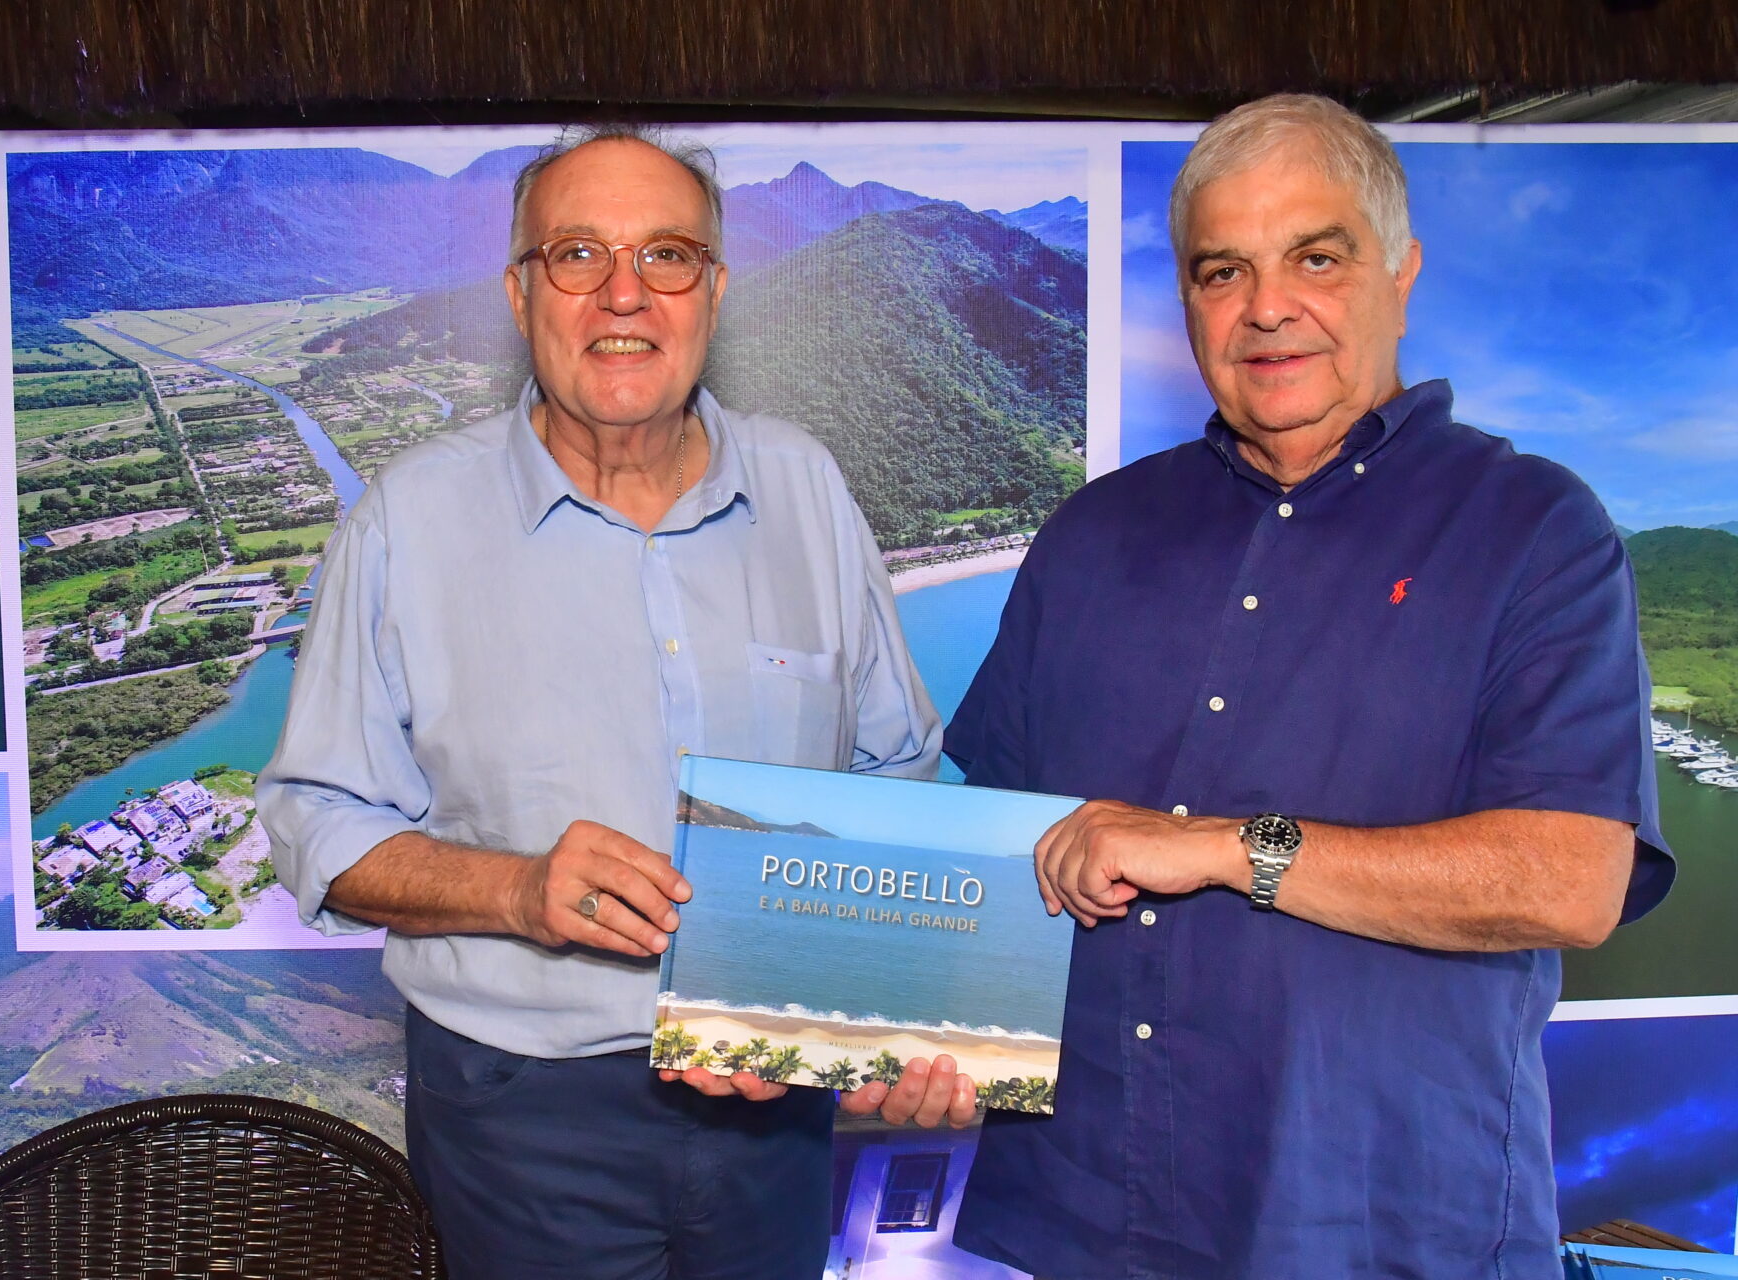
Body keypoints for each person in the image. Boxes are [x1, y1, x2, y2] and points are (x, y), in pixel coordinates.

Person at [866, 94, 1675, 1277]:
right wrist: (879, 1035)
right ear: (1187, 299)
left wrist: (1232, 846)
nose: (1267, 307)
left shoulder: (1537, 531)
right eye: (1221, 270)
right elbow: (1002, 858)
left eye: (1316, 256)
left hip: (1380, 1228)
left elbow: (1573, 880)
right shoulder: (1092, 533)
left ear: (1401, 272)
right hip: (1084, 1219)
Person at [258, 124, 941, 1280]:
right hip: (522, 1114)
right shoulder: (408, 519)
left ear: (714, 292)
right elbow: (317, 824)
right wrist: (518, 889)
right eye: (577, 255)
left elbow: (897, 774)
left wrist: (842, 1007)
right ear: (521, 294)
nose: (624, 294)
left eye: (667, 256)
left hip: (771, 1103)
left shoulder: (807, 488)